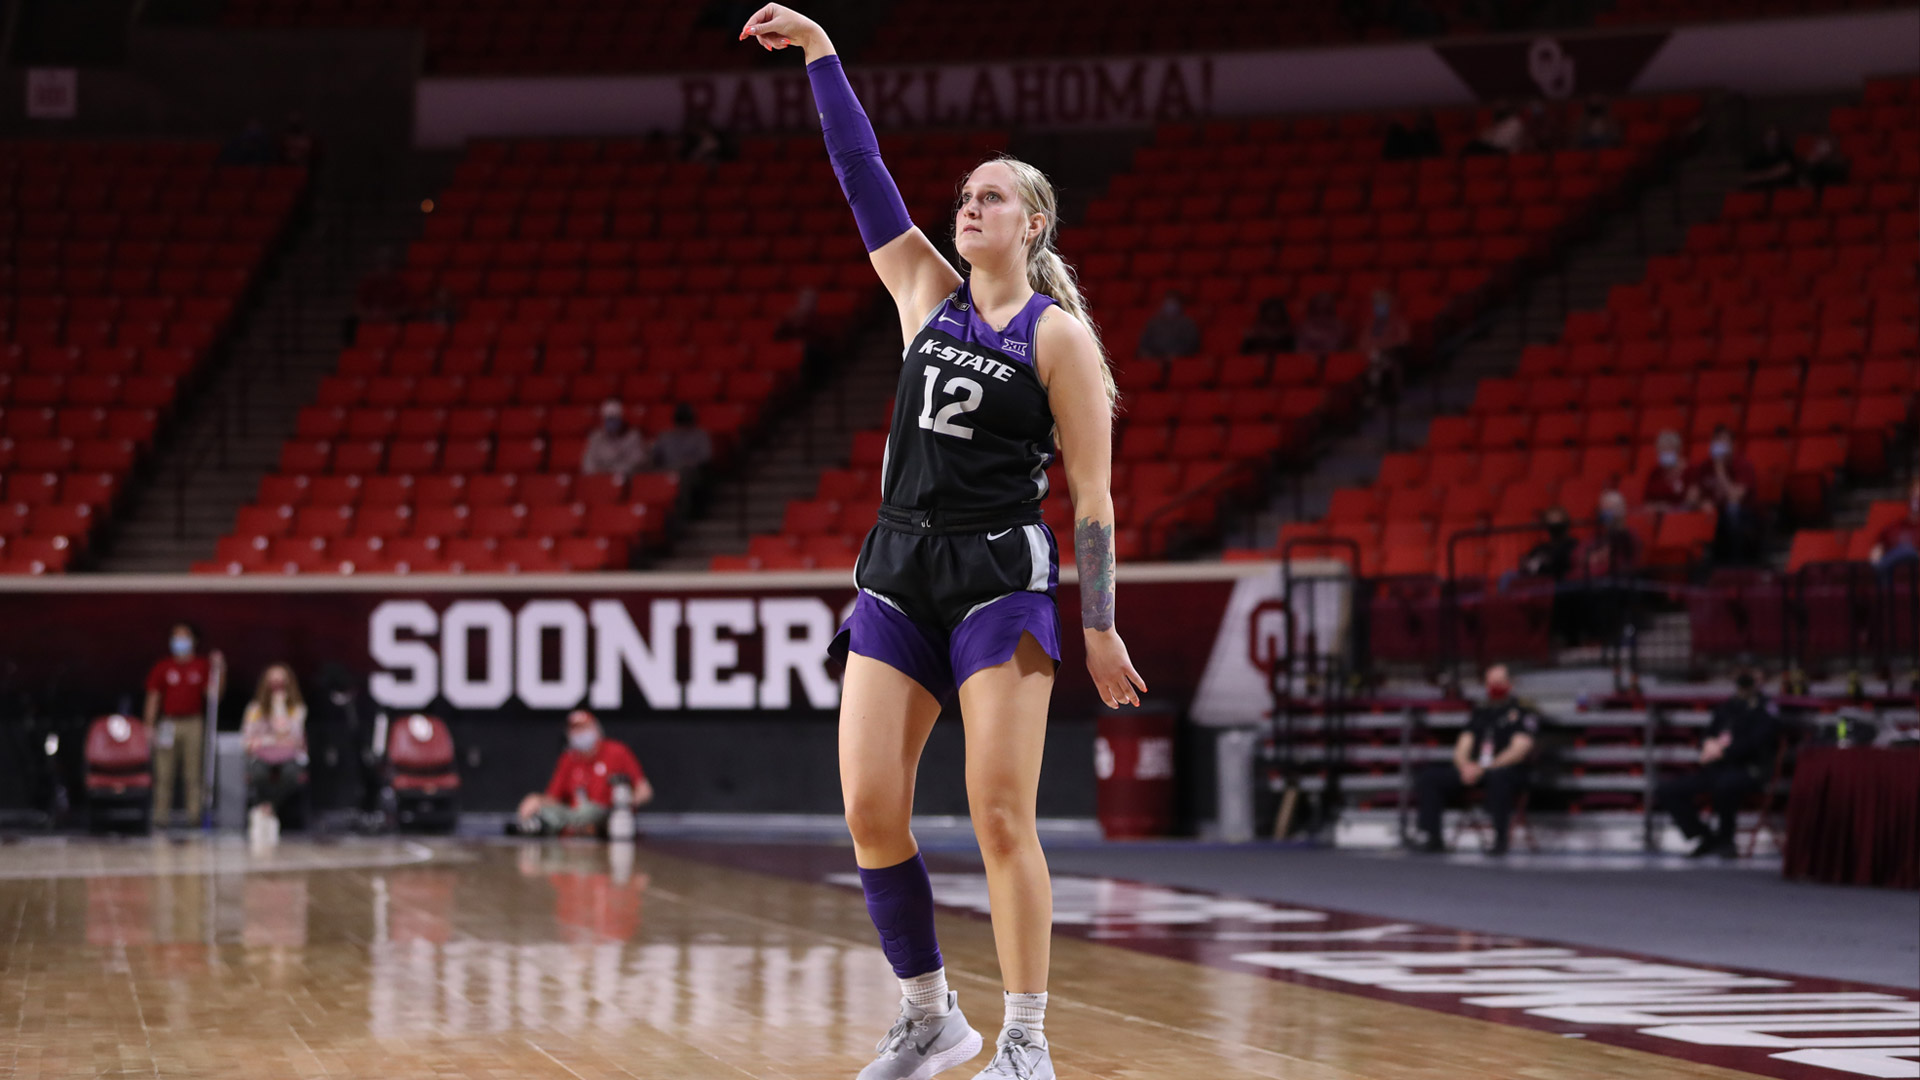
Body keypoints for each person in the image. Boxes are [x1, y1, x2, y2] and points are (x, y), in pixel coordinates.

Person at [742, 8, 1147, 1078]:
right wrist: (824, 53)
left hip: (997, 580)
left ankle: (1025, 1041)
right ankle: (931, 1016)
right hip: (897, 568)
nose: (968, 207)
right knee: (871, 809)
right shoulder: (924, 291)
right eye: (964, 196)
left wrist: (1097, 627)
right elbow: (859, 168)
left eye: (991, 197)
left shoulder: (1058, 340)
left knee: (999, 815)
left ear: (1034, 226)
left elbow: (1094, 500)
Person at [1412, 665, 1539, 855]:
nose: (1493, 686)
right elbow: (1463, 745)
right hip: (1476, 770)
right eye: (1490, 683)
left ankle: (1500, 840)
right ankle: (1432, 837)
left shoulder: (1522, 712)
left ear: (1510, 684)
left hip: (1507, 770)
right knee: (1431, 777)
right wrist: (1465, 766)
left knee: (1499, 779)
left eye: (1498, 682)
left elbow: (1518, 750)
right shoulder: (1481, 712)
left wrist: (1484, 768)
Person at [1654, 669, 1780, 858]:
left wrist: (1725, 751)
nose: (1745, 683)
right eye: (1743, 678)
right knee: (1666, 790)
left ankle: (1726, 840)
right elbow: (1708, 735)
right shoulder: (1726, 707)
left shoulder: (1765, 708)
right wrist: (1707, 746)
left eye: (1752, 678)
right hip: (1717, 767)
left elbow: (1758, 743)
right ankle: (1705, 836)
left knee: (1726, 785)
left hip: (1748, 769)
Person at [513, 711, 652, 836]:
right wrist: (537, 800)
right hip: (574, 816)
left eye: (583, 728)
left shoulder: (617, 752)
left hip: (606, 815)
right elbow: (553, 798)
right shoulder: (568, 758)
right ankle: (555, 825)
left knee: (590, 811)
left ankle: (558, 825)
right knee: (550, 811)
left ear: (596, 730)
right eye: (574, 730)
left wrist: (624, 804)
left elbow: (645, 791)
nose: (579, 734)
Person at [143, 623, 224, 827]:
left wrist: (220, 669)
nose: (180, 641)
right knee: (164, 772)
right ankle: (160, 817)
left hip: (193, 723)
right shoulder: (163, 667)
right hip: (167, 723)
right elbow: (153, 697)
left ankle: (194, 817)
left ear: (193, 640)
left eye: (184, 637)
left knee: (193, 772)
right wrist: (149, 725)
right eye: (176, 637)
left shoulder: (202, 665)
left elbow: (214, 695)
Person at [241, 663, 308, 842]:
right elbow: (248, 739)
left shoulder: (297, 708)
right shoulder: (255, 709)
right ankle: (267, 809)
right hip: (262, 756)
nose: (277, 685)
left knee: (291, 774)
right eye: (273, 681)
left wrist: (279, 706)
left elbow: (290, 735)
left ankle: (267, 807)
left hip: (288, 757)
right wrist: (272, 740)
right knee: (258, 773)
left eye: (281, 681)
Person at [1690, 425, 1761, 564]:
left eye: (1723, 441)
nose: (1719, 445)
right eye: (1716, 441)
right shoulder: (1704, 466)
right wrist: (1702, 503)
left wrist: (1720, 469)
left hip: (1742, 514)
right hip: (1712, 514)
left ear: (1732, 445)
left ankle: (1733, 564)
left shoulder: (1742, 465)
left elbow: (1734, 497)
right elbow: (1692, 497)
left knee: (1731, 511)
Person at [1357, 288, 1410, 406]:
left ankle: (1379, 395)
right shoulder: (1371, 323)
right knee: (1370, 364)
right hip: (1370, 356)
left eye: (1383, 304)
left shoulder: (1398, 321)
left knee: (1381, 364)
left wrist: (1384, 348)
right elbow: (1363, 342)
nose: (1380, 307)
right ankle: (1370, 396)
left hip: (1390, 354)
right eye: (1377, 304)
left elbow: (1403, 340)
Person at [581, 399, 650, 479]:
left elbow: (637, 462)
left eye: (614, 418)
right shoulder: (596, 437)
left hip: (625, 478)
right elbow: (588, 462)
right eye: (608, 418)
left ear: (621, 418)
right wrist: (597, 475)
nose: (611, 422)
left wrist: (612, 471)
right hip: (599, 478)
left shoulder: (633, 436)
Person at [1868, 477, 1920, 573]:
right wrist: (1876, 558)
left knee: (1909, 552)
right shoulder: (1893, 527)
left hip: (1915, 576)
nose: (1917, 501)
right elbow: (1877, 549)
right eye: (1914, 496)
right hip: (1893, 576)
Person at [651, 402, 714, 478]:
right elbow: (655, 455)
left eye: (685, 423)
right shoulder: (665, 436)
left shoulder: (700, 435)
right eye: (680, 424)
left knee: (682, 474)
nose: (682, 428)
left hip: (691, 473)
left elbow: (705, 457)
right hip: (666, 469)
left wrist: (688, 463)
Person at [1641, 430, 1697, 511]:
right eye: (1661, 450)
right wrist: (1657, 508)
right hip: (1658, 517)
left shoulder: (1691, 471)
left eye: (1668, 449)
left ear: (1678, 450)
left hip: (1682, 518)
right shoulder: (1655, 472)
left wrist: (1670, 509)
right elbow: (1647, 502)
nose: (1664, 453)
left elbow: (1691, 502)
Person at [1136, 291, 1200, 359]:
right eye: (1167, 303)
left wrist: (1177, 354)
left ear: (1179, 305)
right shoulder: (1153, 323)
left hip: (1178, 359)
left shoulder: (1188, 324)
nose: (1170, 306)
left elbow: (1191, 345)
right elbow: (1144, 344)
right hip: (1155, 359)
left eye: (1173, 303)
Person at [1741, 126, 1799, 190]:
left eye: (1775, 137)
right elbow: (1748, 177)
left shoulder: (1786, 154)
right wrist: (1769, 174)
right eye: (1769, 137)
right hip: (1760, 192)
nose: (1772, 140)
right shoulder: (1756, 157)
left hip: (1783, 193)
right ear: (1763, 138)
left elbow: (1786, 170)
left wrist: (1760, 176)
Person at [1296, 291, 1349, 357]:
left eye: (1327, 311)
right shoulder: (1303, 328)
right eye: (1317, 311)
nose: (1322, 317)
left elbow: (1336, 350)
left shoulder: (1340, 327)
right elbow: (1301, 351)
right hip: (1306, 363)